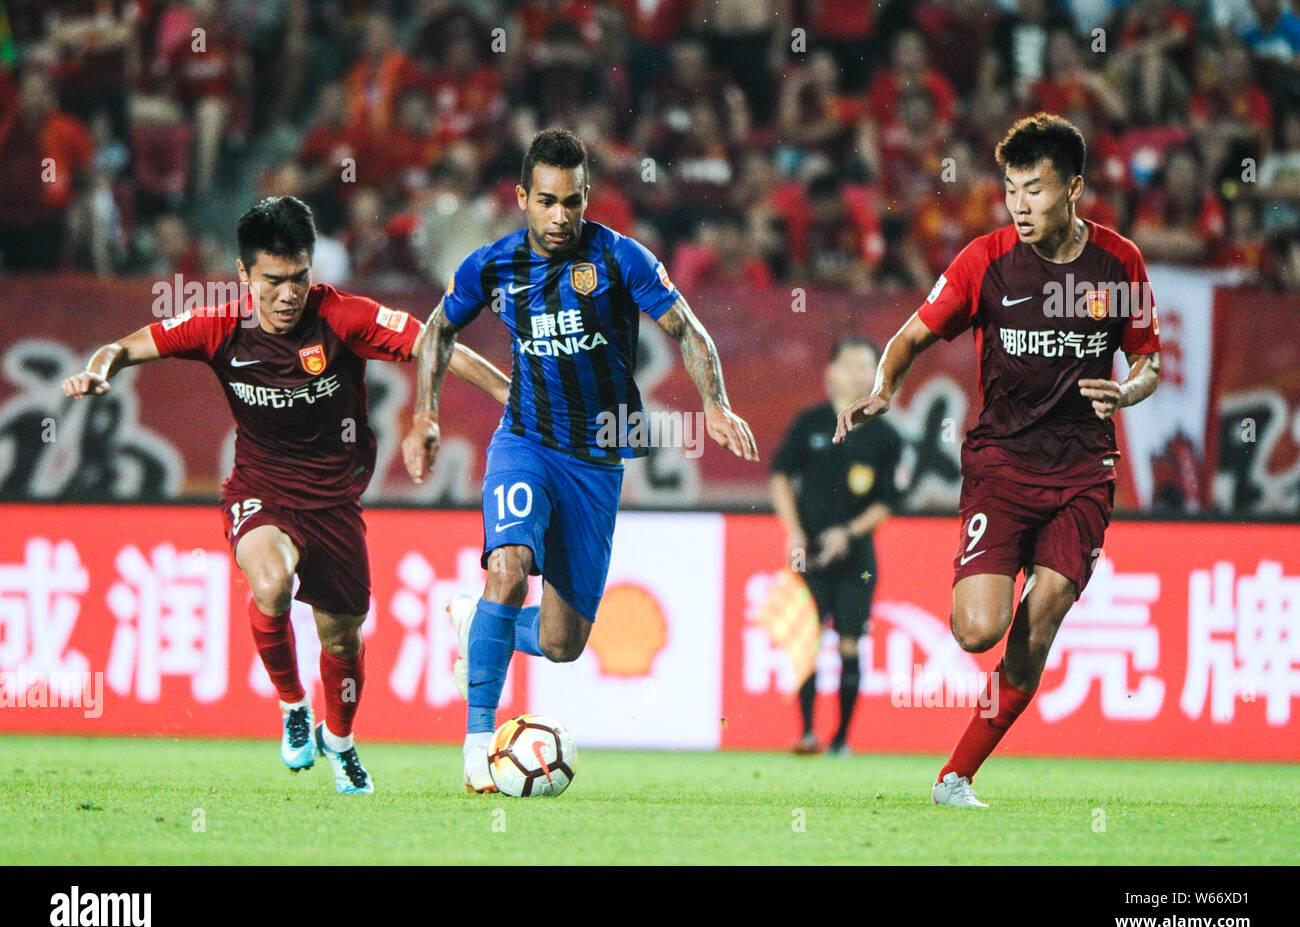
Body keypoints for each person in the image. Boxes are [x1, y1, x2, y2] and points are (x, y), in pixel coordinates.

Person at [61, 196, 509, 794]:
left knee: (342, 635)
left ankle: (340, 740)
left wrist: (511, 394)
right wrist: (99, 371)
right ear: (245, 275)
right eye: (273, 281)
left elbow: (435, 342)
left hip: (334, 501)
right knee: (271, 583)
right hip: (260, 488)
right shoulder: (217, 326)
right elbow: (125, 347)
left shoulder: (344, 317)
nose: (287, 294)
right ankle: (293, 704)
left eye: (299, 278)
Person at [402, 129, 759, 793]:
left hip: (596, 462)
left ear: (587, 198)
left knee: (565, 645)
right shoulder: (493, 265)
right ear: (522, 199)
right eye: (546, 201)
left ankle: (475, 624)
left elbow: (686, 327)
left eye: (572, 201)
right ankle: (479, 743)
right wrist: (425, 412)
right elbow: (438, 330)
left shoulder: (621, 259)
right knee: (507, 571)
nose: (560, 215)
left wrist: (714, 402)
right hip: (526, 444)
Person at [834, 113, 1162, 807]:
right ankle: (998, 607)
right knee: (977, 628)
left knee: (1041, 615)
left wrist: (1127, 391)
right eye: (1011, 189)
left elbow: (1148, 361)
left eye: (1035, 190)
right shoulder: (985, 259)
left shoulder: (1119, 262)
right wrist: (884, 387)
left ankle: (956, 775)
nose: (1019, 204)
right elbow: (913, 334)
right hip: (1003, 466)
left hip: (1083, 469)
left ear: (1074, 188)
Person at [772, 337, 902, 756]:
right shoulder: (809, 423)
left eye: (869, 367)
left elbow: (888, 501)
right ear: (830, 373)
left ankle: (842, 738)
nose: (860, 373)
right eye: (851, 365)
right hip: (808, 552)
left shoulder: (885, 436)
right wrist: (794, 532)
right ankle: (807, 732)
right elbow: (779, 477)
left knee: (849, 642)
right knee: (807, 640)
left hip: (856, 559)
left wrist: (848, 533)